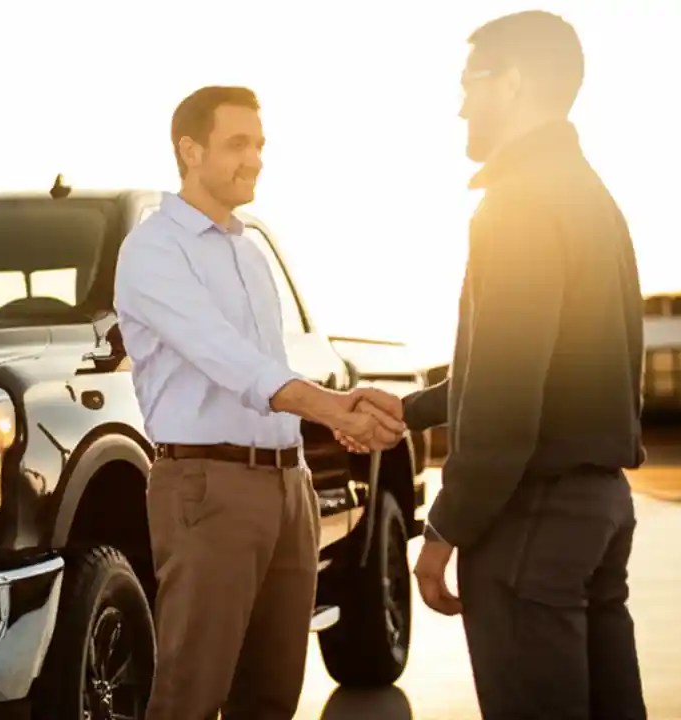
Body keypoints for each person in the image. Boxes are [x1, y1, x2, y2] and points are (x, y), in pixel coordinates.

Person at [346, 11, 647, 720]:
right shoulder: (591, 196)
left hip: (530, 518)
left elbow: (509, 398)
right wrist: (411, 410)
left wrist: (442, 529)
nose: (459, 104)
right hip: (599, 510)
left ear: (511, 84)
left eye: (469, 84)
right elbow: (547, 367)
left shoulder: (518, 204)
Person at [114, 85, 407, 720]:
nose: (255, 159)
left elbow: (271, 371)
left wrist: (337, 407)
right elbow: (228, 360)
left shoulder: (249, 251)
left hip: (287, 488)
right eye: (237, 144)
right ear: (190, 151)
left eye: (260, 144)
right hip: (207, 487)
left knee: (273, 697)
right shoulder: (154, 248)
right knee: (191, 694)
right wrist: (332, 409)